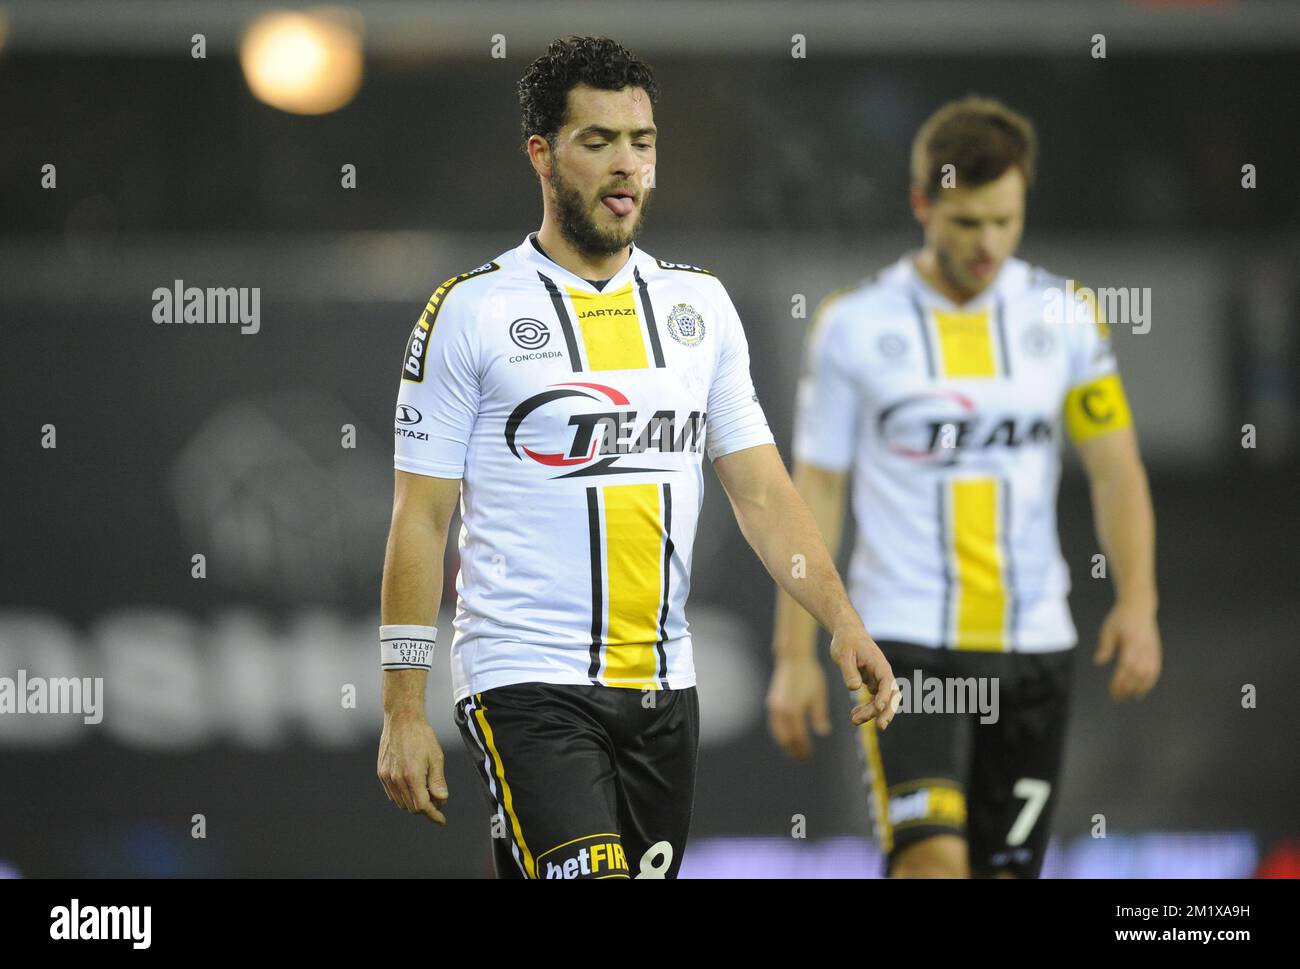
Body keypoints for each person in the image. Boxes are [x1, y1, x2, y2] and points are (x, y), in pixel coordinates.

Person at [376, 35, 896, 880]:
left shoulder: (701, 306)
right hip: (525, 680)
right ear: (541, 155)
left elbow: (761, 489)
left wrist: (840, 619)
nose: (627, 166)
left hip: (663, 689)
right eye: (598, 141)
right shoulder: (469, 312)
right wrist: (403, 706)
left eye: (642, 143)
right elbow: (420, 514)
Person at [767, 96, 1162, 878]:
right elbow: (814, 493)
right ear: (923, 204)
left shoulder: (1068, 316)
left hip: (1033, 647)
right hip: (906, 645)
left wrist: (1140, 601)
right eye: (967, 221)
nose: (988, 245)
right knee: (934, 864)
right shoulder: (853, 324)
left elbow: (1117, 468)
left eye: (1005, 222)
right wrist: (794, 652)